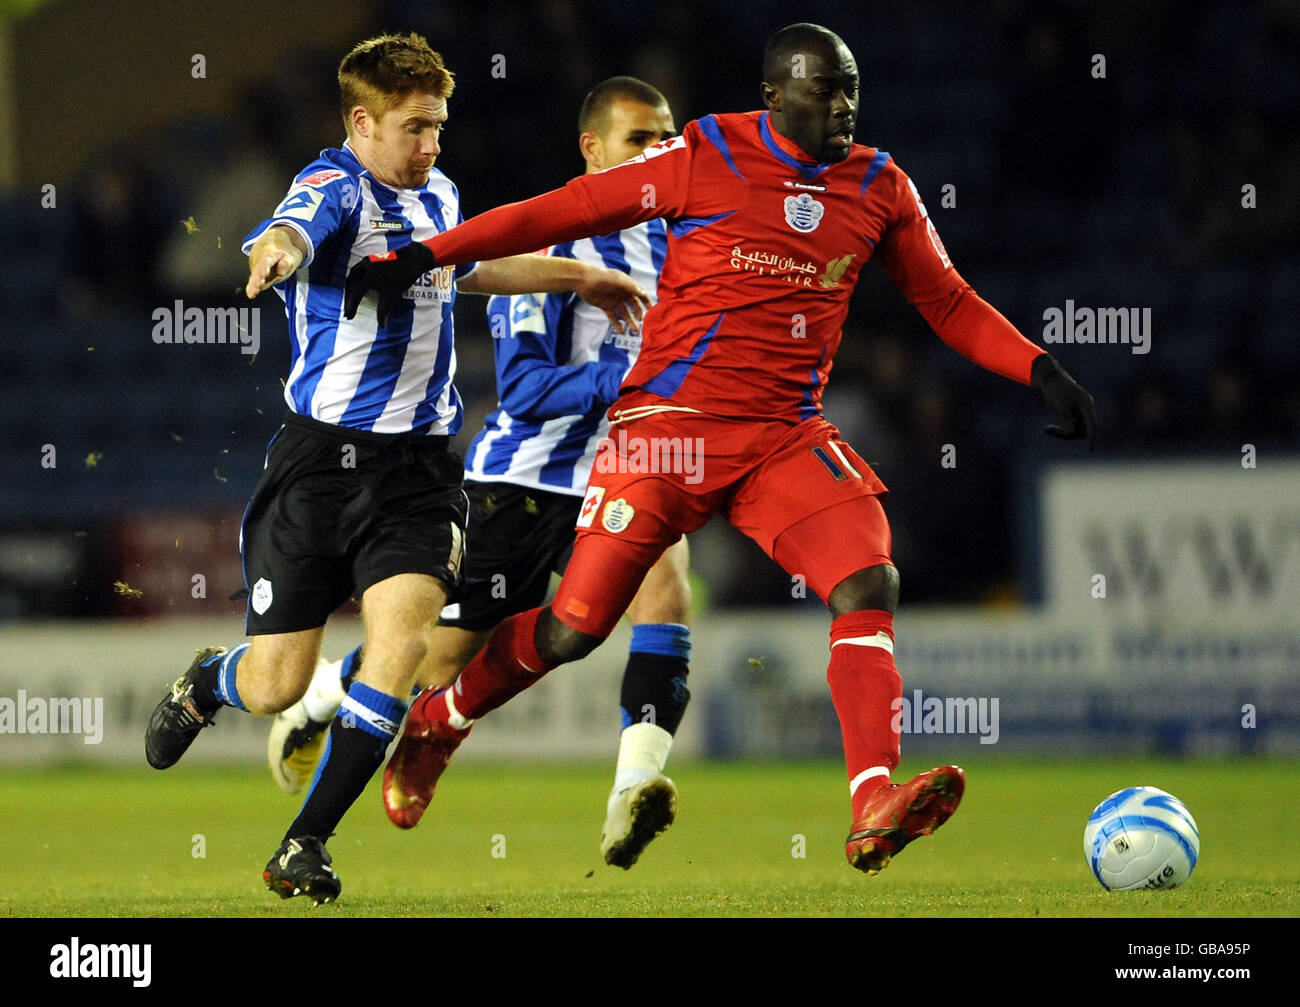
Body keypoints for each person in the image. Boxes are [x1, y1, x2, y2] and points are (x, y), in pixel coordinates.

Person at [343, 22, 1097, 876]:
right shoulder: (704, 155)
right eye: (824, 89)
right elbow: (557, 210)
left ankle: (871, 802)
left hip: (782, 435)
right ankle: (443, 721)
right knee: (574, 628)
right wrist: (422, 256)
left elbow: (948, 299)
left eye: (851, 87)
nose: (843, 105)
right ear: (775, 97)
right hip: (664, 429)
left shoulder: (880, 184)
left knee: (868, 578)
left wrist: (1041, 370)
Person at [142, 32, 649, 905]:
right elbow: (294, 228)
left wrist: (574, 275)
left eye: (439, 127)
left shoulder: (439, 191)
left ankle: (304, 841)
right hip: (317, 471)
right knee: (276, 685)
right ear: (363, 121)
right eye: (416, 128)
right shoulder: (333, 185)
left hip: (416, 471)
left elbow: (471, 266)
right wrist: (276, 250)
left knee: (401, 649)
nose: (432, 146)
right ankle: (209, 678)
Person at [268, 76, 693, 870]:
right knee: (432, 651)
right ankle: (326, 695)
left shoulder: (682, 240)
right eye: (642, 140)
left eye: (669, 137)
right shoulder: (557, 245)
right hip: (524, 482)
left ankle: (633, 791)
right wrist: (633, 383)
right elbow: (528, 388)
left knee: (666, 593)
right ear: (593, 151)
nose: (661, 152)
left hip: (632, 470)